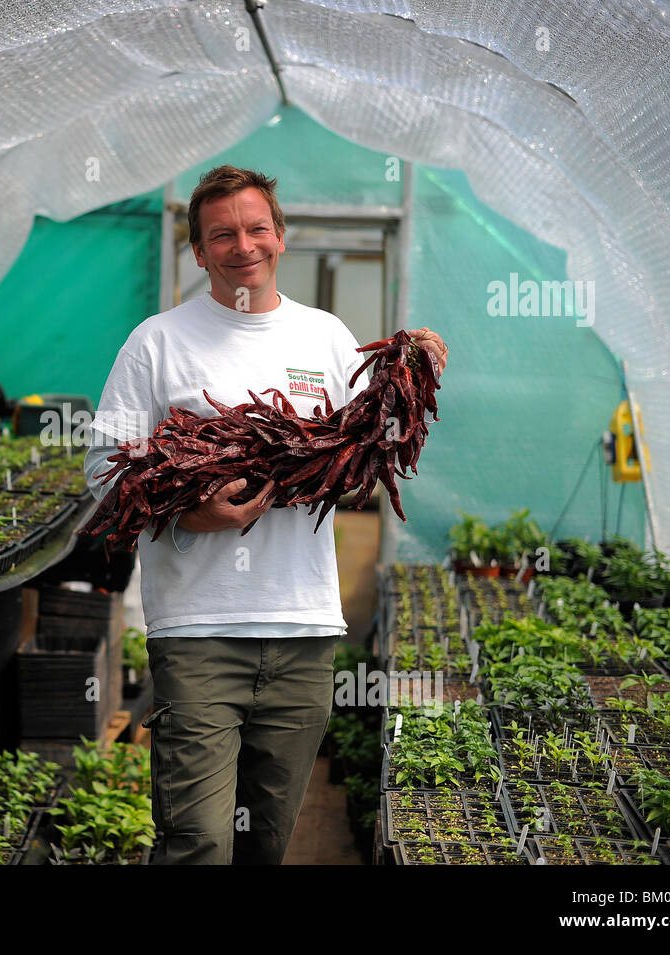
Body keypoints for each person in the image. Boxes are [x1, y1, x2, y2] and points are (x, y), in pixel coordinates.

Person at [83, 165, 447, 865]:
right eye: (222, 234)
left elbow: (370, 454)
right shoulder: (157, 342)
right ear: (199, 251)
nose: (241, 244)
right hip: (198, 631)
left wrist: (416, 373)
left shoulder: (327, 338)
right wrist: (193, 510)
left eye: (255, 228)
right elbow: (105, 467)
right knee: (199, 839)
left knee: (265, 840)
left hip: (303, 629)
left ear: (281, 236)